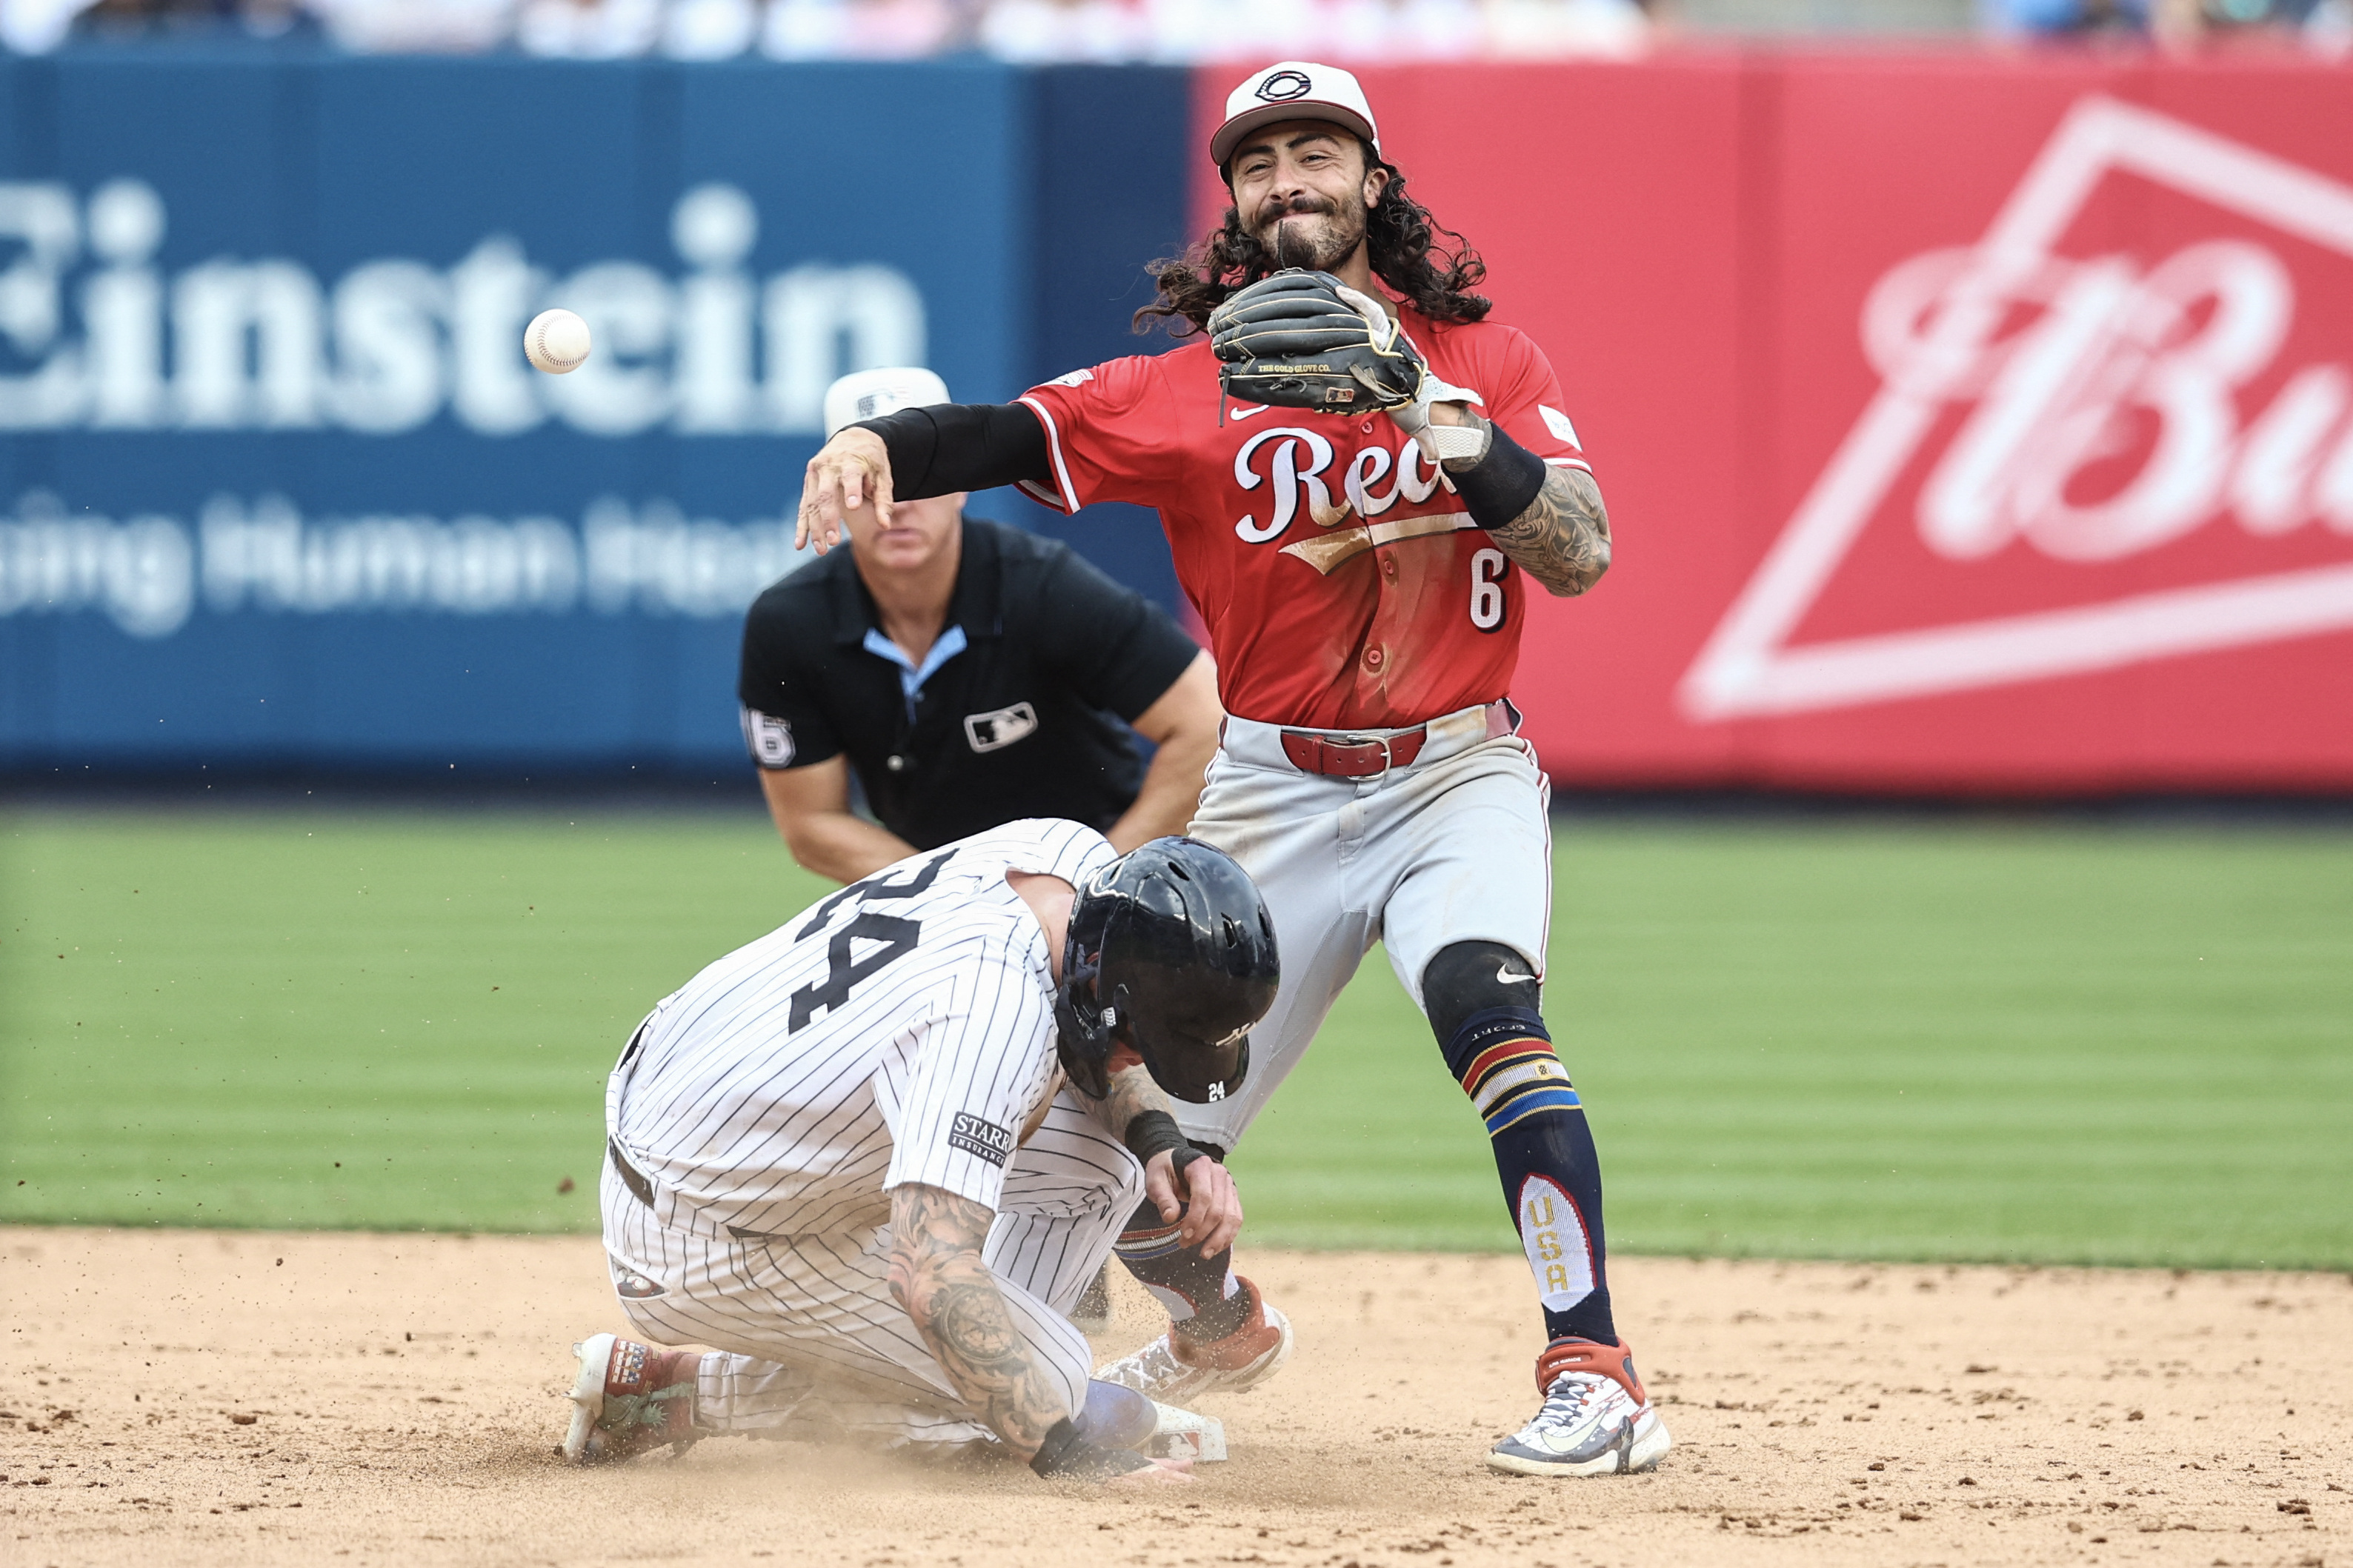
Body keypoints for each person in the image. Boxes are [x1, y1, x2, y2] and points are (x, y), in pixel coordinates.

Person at [793, 61, 1668, 1478]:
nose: (1287, 183)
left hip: (1458, 772)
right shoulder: (1188, 391)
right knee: (1107, 1107)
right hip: (1276, 785)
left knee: (1485, 1009)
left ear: (1373, 182)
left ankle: (1598, 1374)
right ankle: (1213, 1330)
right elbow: (1015, 429)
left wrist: (1417, 400)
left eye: (1315, 153)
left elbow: (1576, 546)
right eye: (1257, 165)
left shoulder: (1487, 362)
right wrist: (874, 440)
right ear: (1237, 207)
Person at [562, 824, 1280, 1481]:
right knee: (1042, 1386)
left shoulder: (1074, 862)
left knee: (1112, 1162)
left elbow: (1089, 1035)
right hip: (702, 1231)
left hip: (723, 1101)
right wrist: (1063, 1451)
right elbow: (931, 1272)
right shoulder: (987, 1024)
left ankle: (970, 1376)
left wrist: (1160, 1139)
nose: (1144, 1060)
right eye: (1145, 1040)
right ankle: (677, 1389)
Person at [742, 367, 1222, 887]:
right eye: (868, 478)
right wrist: (961, 898)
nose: (896, 502)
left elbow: (1205, 724)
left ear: (961, 483)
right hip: (934, 904)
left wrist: (1096, 888)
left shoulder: (1040, 585)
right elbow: (812, 823)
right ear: (830, 491)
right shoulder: (788, 622)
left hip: (1093, 887)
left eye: (918, 471)